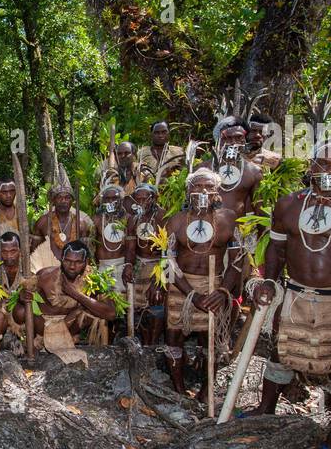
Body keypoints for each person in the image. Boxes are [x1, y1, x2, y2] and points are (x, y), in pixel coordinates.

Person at [241, 142, 331, 449]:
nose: (330, 172)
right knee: (280, 351)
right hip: (295, 294)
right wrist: (269, 283)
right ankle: (266, 411)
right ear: (311, 166)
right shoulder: (288, 205)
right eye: (324, 164)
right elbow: (275, 251)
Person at [163, 169, 242, 403]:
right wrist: (191, 295)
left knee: (211, 339)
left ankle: (206, 391)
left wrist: (222, 291)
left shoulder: (229, 219)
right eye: (197, 186)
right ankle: (178, 390)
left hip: (214, 285)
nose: (202, 191)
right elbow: (167, 262)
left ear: (217, 192)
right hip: (181, 286)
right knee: (173, 337)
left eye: (208, 187)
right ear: (188, 191)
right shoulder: (176, 221)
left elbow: (238, 260)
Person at [18, 240, 116, 365]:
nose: (72, 266)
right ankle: (33, 347)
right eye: (67, 261)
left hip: (71, 327)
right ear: (61, 259)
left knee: (91, 313)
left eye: (78, 262)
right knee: (20, 311)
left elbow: (111, 314)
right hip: (43, 327)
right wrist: (22, 297)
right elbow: (22, 296)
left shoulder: (93, 281)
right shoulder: (45, 276)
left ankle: (70, 342)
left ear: (86, 263)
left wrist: (75, 294)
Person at [123, 182, 167, 345]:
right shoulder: (133, 219)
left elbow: (168, 251)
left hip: (158, 266)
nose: (141, 202)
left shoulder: (164, 217)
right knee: (137, 306)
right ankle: (142, 341)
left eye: (145, 198)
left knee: (157, 305)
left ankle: (153, 343)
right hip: (139, 266)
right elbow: (130, 247)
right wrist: (128, 265)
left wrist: (160, 279)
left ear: (154, 198)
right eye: (137, 199)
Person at [31, 163, 93, 269]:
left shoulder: (81, 224)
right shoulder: (43, 222)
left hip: (73, 272)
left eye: (67, 197)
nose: (63, 201)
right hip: (48, 270)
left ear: (72, 201)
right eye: (59, 197)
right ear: (53, 201)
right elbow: (33, 252)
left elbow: (86, 255)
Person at [93, 183, 129, 293]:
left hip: (122, 267)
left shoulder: (128, 219)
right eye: (107, 198)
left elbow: (131, 248)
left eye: (114, 198)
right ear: (102, 201)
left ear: (121, 200)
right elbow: (91, 246)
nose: (111, 201)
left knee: (123, 302)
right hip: (102, 267)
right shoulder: (96, 220)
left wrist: (128, 266)